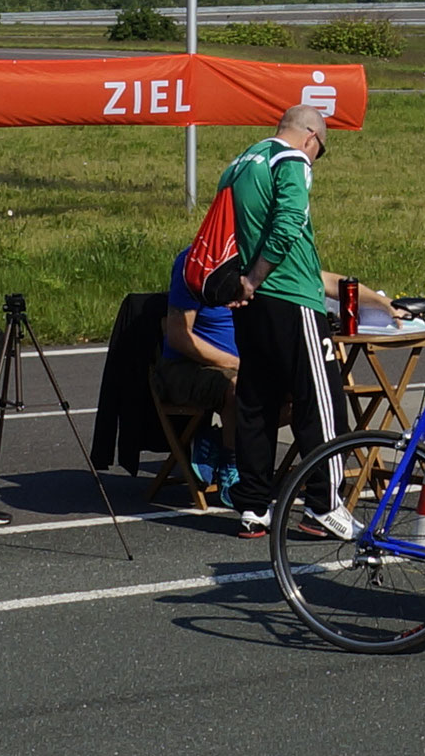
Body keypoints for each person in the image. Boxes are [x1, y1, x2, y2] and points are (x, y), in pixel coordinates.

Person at [216, 96, 376, 525]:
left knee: (256, 400)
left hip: (250, 302)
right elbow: (289, 220)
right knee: (320, 400)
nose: (316, 159)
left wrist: (244, 281)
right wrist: (259, 275)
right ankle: (324, 504)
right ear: (312, 138)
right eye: (319, 151)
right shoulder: (291, 159)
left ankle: (252, 503)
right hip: (290, 294)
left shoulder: (240, 163)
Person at [147, 241, 243, 500]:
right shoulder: (194, 262)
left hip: (237, 366)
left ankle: (218, 438)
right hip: (185, 367)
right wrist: (235, 363)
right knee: (240, 387)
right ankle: (232, 466)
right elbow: (179, 337)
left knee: (297, 388)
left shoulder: (257, 262)